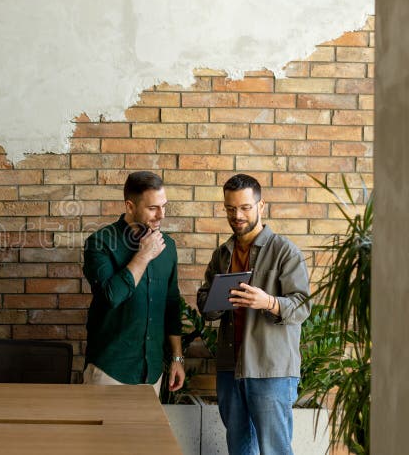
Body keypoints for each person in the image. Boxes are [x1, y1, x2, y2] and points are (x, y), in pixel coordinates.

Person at [197, 174, 310, 455]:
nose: (237, 215)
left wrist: (268, 302)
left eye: (245, 207)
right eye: (230, 208)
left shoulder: (285, 251)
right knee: (239, 448)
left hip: (270, 370)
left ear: (261, 206)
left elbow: (303, 306)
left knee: (274, 450)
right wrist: (217, 300)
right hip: (230, 368)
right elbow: (205, 303)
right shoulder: (222, 254)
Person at [82, 171, 184, 395]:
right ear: (130, 206)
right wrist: (144, 255)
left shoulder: (168, 246)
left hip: (152, 372)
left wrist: (177, 358)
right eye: (153, 208)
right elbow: (112, 296)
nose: (161, 215)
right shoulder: (99, 243)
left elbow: (171, 304)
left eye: (164, 206)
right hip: (110, 370)